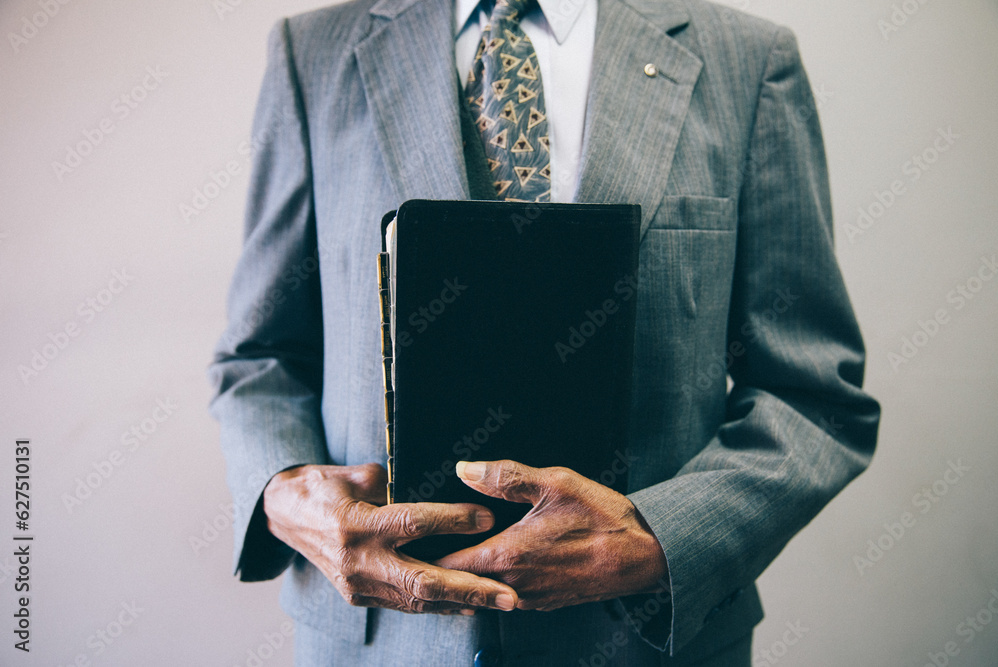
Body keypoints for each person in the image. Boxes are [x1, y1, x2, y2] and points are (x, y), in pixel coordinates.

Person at [208, 0, 881, 664]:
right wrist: (286, 493)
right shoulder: (313, 54)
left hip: (640, 644)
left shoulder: (751, 63)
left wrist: (659, 539)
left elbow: (813, 395)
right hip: (378, 642)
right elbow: (260, 357)